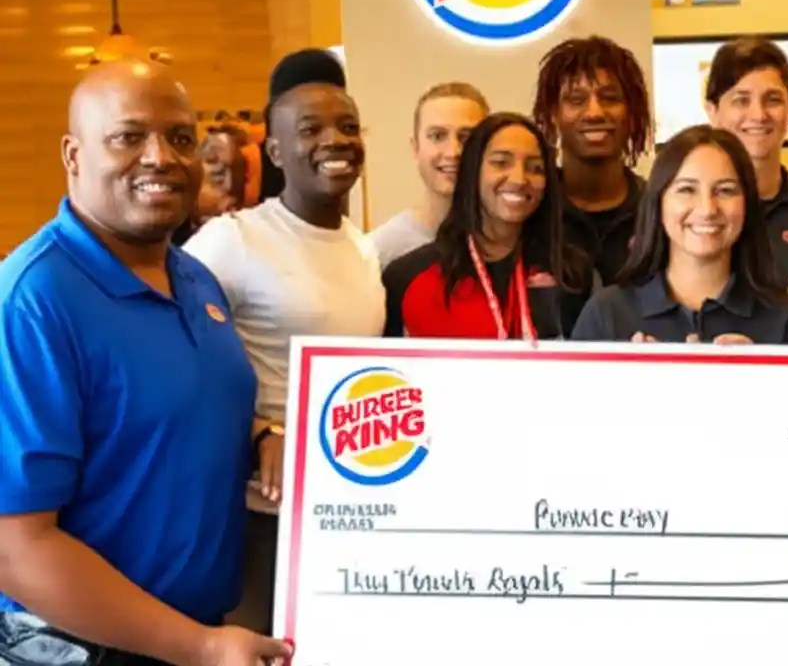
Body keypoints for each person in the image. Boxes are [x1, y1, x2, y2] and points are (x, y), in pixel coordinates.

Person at [0, 60, 290, 665]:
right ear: (73, 155)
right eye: (128, 137)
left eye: (180, 138)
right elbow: (15, 547)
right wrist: (202, 647)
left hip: (193, 635)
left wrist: (262, 437)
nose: (160, 157)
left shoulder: (195, 279)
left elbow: (167, 421)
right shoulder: (32, 300)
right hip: (78, 649)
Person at [184, 48, 386, 636]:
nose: (335, 141)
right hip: (254, 515)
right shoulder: (233, 240)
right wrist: (259, 432)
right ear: (275, 152)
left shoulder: (363, 248)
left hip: (344, 508)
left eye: (348, 127)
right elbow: (173, 350)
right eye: (311, 130)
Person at [571, 125, 788, 355]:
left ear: (747, 205)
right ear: (658, 203)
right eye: (686, 190)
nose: (707, 209)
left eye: (725, 190)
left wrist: (766, 382)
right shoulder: (606, 314)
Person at [383, 112, 591, 340]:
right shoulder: (407, 276)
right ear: (472, 172)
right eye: (501, 163)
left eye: (535, 168)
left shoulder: (572, 274)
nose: (519, 179)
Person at [703, 36, 788, 286]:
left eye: (772, 100)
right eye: (741, 100)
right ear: (713, 112)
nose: (758, 115)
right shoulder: (693, 212)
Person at [532, 35, 652, 286]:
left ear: (632, 113)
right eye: (576, 100)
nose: (595, 112)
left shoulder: (659, 213)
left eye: (610, 98)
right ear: (553, 114)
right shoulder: (530, 212)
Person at [371, 81, 490, 266]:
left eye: (467, 138)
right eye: (437, 136)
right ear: (415, 148)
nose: (453, 152)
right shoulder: (380, 252)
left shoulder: (508, 243)